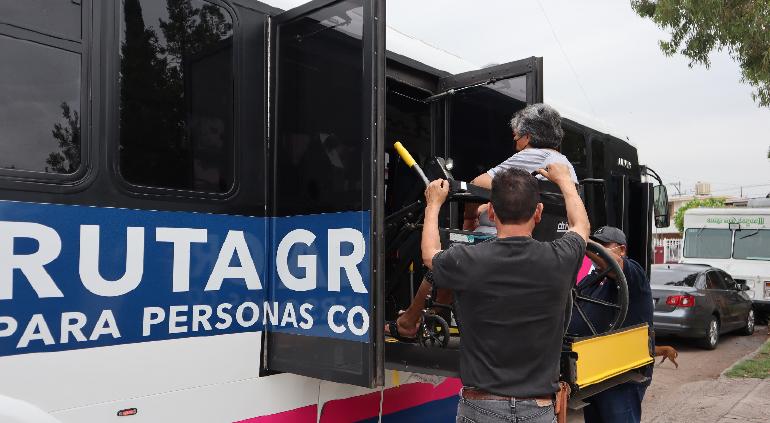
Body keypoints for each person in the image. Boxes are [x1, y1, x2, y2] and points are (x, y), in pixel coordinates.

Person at [386, 103, 579, 339]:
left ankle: (409, 322)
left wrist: (465, 216)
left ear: (528, 137)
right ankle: (437, 311)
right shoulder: (566, 165)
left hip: (503, 239)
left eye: (517, 137)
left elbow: (478, 184)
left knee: (446, 253)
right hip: (546, 238)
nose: (515, 142)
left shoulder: (531, 156)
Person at [421, 163, 590, 423]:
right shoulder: (560, 257)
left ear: (490, 210)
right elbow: (581, 226)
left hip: (480, 408)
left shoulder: (467, 259)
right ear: (539, 212)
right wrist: (565, 181)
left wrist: (433, 204)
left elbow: (430, 255)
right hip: (539, 410)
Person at [570, 226, 655, 423]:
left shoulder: (634, 273)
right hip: (594, 372)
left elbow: (615, 264)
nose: (596, 250)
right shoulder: (594, 279)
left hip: (622, 375)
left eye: (603, 245)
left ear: (622, 249)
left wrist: (582, 241)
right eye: (595, 243)